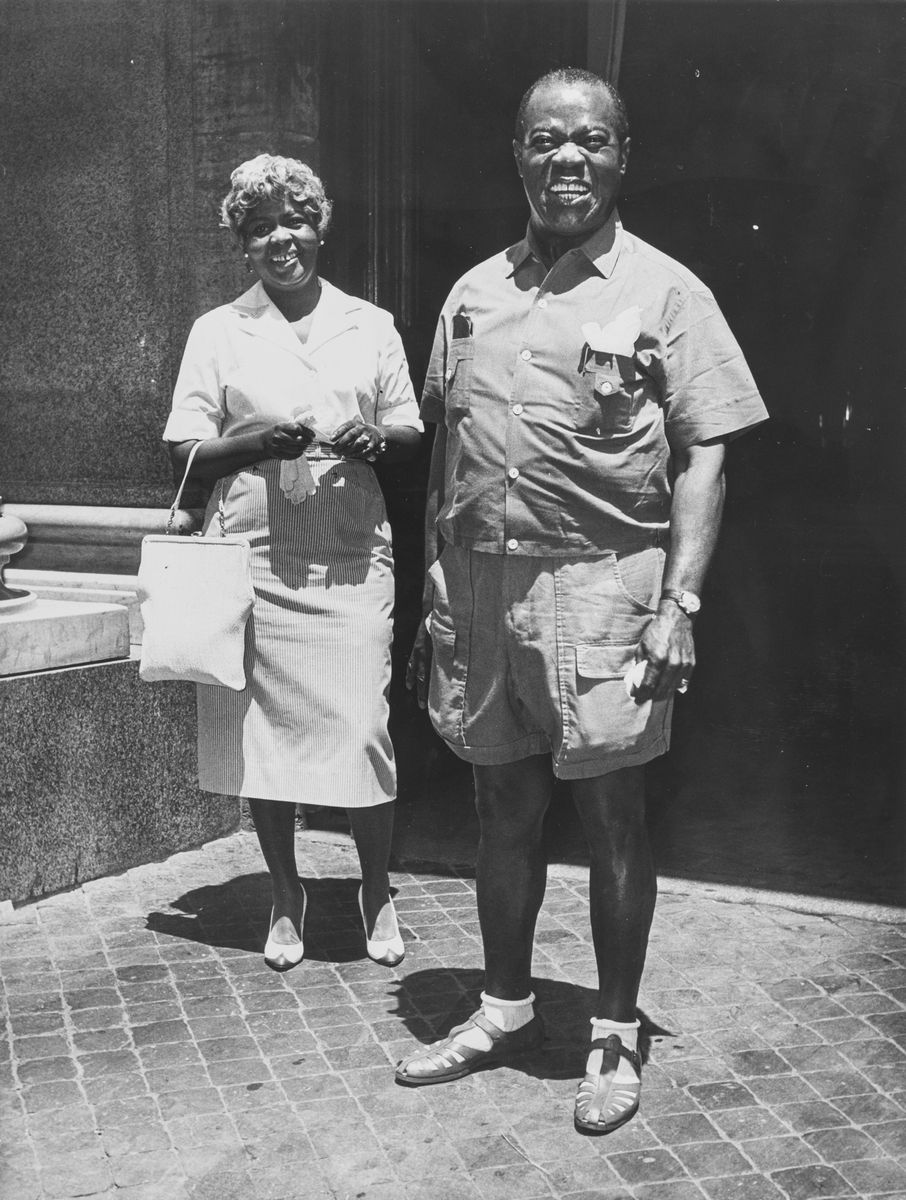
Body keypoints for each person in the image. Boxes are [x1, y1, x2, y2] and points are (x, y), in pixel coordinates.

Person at [397, 70, 768, 1133]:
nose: (569, 159)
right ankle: (505, 1006)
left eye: (591, 142)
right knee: (498, 807)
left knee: (613, 816)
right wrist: (431, 586)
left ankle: (613, 1036)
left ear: (623, 156)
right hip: (476, 590)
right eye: (547, 141)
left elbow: (707, 456)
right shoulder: (472, 294)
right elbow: (449, 452)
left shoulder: (667, 292)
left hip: (604, 587)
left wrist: (679, 602)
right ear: (517, 152)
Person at [163, 154, 422, 973]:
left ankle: (374, 888)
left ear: (320, 227)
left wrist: (375, 440)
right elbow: (184, 443)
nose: (282, 239)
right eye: (262, 227)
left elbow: (409, 428)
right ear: (243, 242)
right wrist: (251, 443)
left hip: (348, 551)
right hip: (259, 552)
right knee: (264, 733)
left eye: (295, 222)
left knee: (365, 728)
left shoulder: (370, 323)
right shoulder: (219, 329)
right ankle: (286, 893)